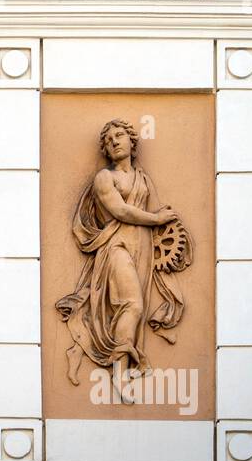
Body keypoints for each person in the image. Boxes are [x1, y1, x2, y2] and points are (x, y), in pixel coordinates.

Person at [55, 118, 187, 400]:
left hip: (142, 249)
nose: (114, 141)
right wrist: (156, 219)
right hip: (115, 246)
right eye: (108, 140)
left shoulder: (143, 179)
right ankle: (120, 372)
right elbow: (121, 211)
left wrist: (165, 228)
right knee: (133, 304)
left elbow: (158, 215)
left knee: (136, 308)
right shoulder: (105, 178)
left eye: (119, 136)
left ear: (132, 141)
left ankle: (122, 364)